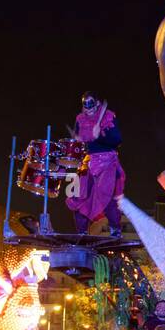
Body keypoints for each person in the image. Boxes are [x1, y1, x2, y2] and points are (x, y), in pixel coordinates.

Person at [65, 91, 126, 236]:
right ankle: (81, 233)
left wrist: (100, 137)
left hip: (107, 162)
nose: (88, 108)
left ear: (97, 103)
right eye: (85, 105)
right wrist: (79, 140)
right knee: (79, 196)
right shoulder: (81, 120)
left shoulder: (107, 117)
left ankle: (115, 230)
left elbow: (117, 140)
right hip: (90, 162)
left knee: (107, 197)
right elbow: (83, 143)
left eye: (91, 104)